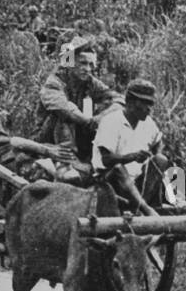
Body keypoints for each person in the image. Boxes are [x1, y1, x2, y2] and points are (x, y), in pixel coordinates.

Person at [37, 40, 115, 180]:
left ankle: (100, 157)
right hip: (48, 138)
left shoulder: (89, 81)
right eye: (83, 63)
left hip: (78, 134)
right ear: (70, 63)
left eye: (91, 65)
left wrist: (101, 117)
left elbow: (117, 99)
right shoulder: (54, 82)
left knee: (107, 111)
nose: (88, 69)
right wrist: (89, 121)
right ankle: (66, 161)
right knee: (65, 116)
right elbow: (63, 108)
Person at [92, 78, 168, 216]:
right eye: (144, 103)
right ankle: (145, 209)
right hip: (110, 182)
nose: (149, 108)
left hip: (136, 184)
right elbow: (106, 160)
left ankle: (137, 207)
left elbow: (158, 142)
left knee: (161, 160)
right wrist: (132, 157)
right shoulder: (111, 121)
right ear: (130, 102)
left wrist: (154, 154)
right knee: (118, 168)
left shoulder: (148, 123)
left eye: (150, 103)